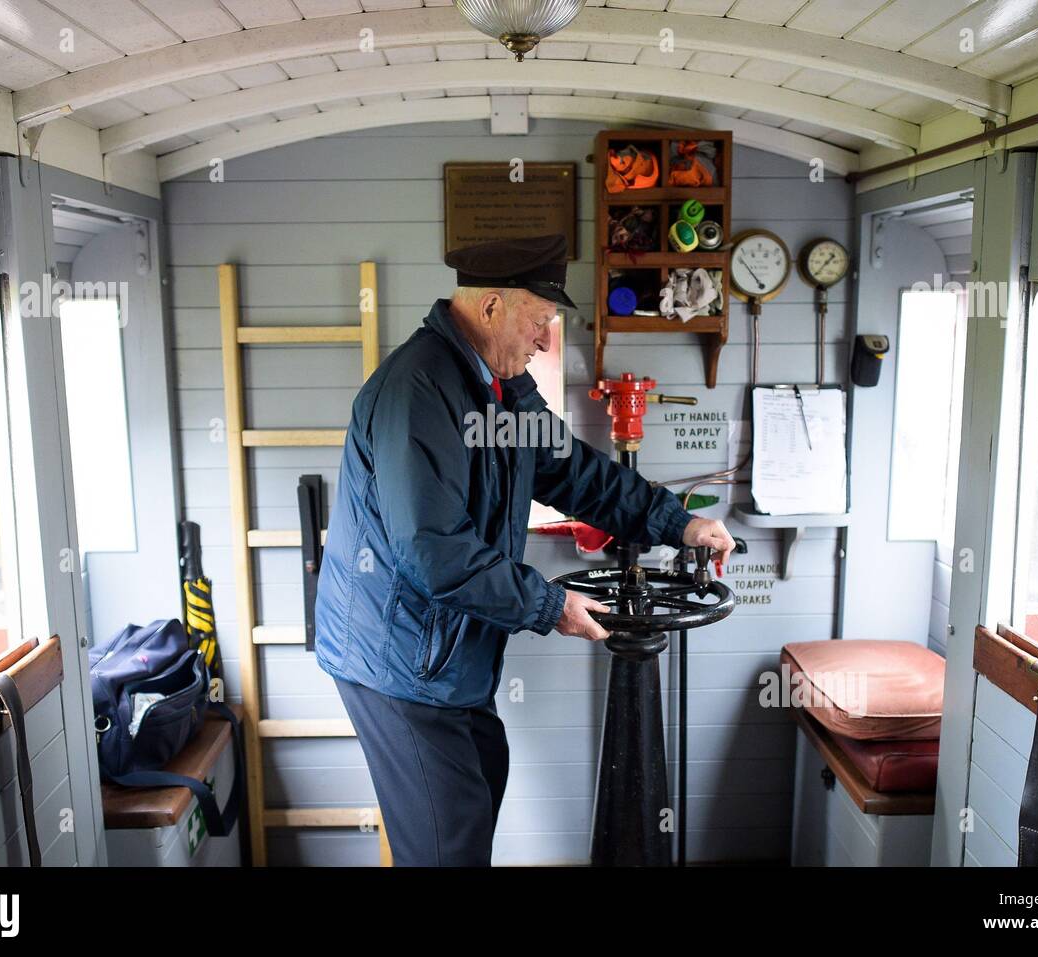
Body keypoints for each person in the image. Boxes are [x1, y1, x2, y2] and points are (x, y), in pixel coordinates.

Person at [314, 233, 736, 865]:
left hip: (448, 650)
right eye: (539, 322)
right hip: (399, 660)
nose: (544, 341)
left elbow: (571, 471)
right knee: (446, 842)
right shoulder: (418, 394)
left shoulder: (501, 388)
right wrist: (548, 605)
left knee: (480, 785)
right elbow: (433, 553)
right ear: (491, 309)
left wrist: (677, 524)